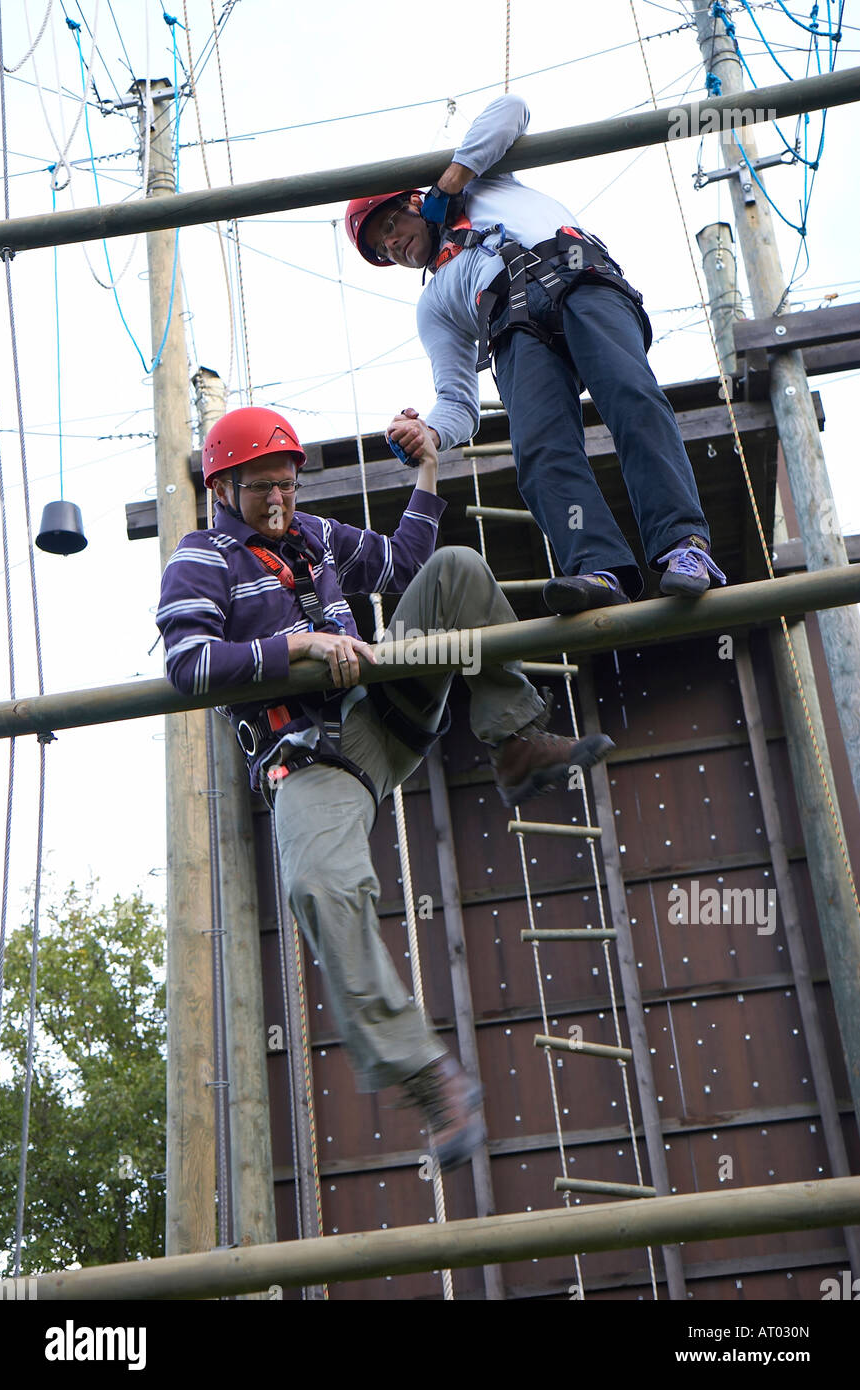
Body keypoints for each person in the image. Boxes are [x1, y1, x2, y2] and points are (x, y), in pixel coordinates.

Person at [156, 404, 614, 1170]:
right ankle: (425, 1075)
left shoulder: (317, 538)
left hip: (380, 713)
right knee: (319, 888)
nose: (279, 502)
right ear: (223, 488)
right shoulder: (201, 560)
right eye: (262, 488)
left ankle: (515, 743)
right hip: (307, 760)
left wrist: (428, 466)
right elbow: (188, 666)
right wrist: (297, 644)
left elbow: (405, 567)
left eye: (288, 486)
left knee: (457, 570)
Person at [345, 93, 727, 614]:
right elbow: (458, 400)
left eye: (388, 227)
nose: (391, 247)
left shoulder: (484, 181)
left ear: (413, 202)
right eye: (380, 250)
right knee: (540, 448)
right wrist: (430, 433)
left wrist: (451, 182)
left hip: (579, 278)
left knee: (631, 397)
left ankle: (683, 545)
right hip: (516, 326)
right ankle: (599, 568)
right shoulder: (435, 303)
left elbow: (512, 109)